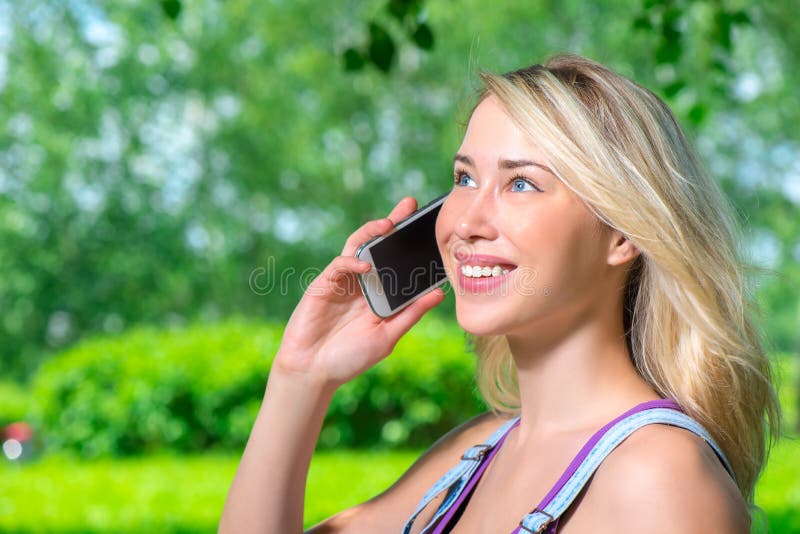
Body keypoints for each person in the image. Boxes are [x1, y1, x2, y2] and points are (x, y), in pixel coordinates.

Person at [219, 54, 780, 533]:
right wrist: (302, 376)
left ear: (622, 234)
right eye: (465, 178)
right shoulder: (478, 451)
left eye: (521, 183)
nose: (465, 222)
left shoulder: (660, 479)